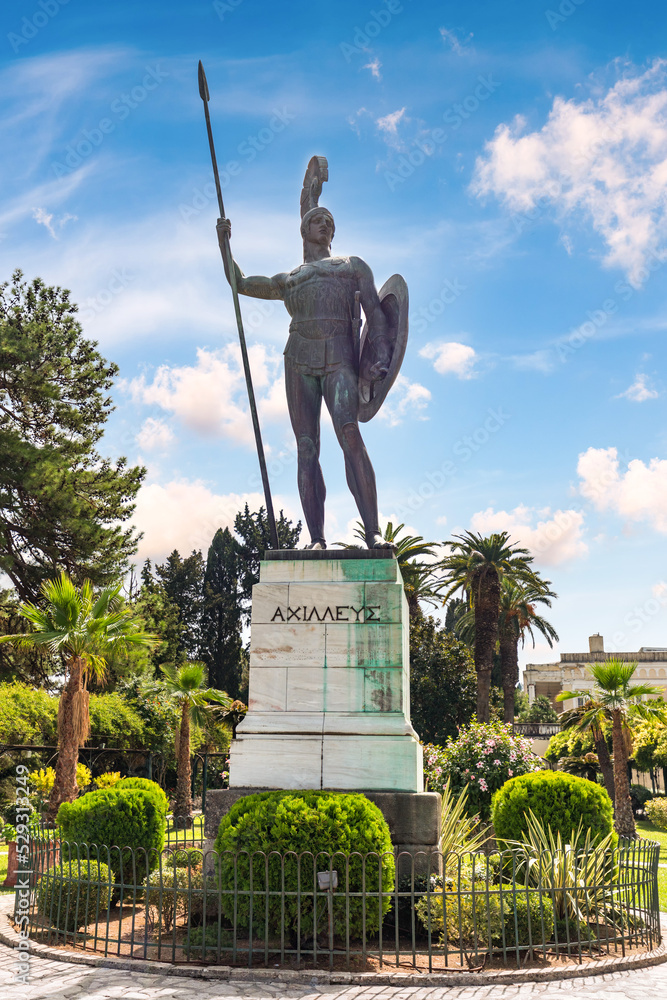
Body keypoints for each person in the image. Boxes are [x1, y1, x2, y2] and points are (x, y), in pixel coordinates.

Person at [217, 205, 395, 551]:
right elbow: (240, 283)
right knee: (306, 446)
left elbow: (376, 313)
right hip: (298, 357)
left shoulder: (351, 267)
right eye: (317, 220)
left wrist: (382, 355)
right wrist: (225, 245)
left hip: (340, 355)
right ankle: (316, 538)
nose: (325, 224)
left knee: (349, 434)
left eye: (330, 221)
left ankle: (372, 531)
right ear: (304, 231)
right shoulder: (290, 279)